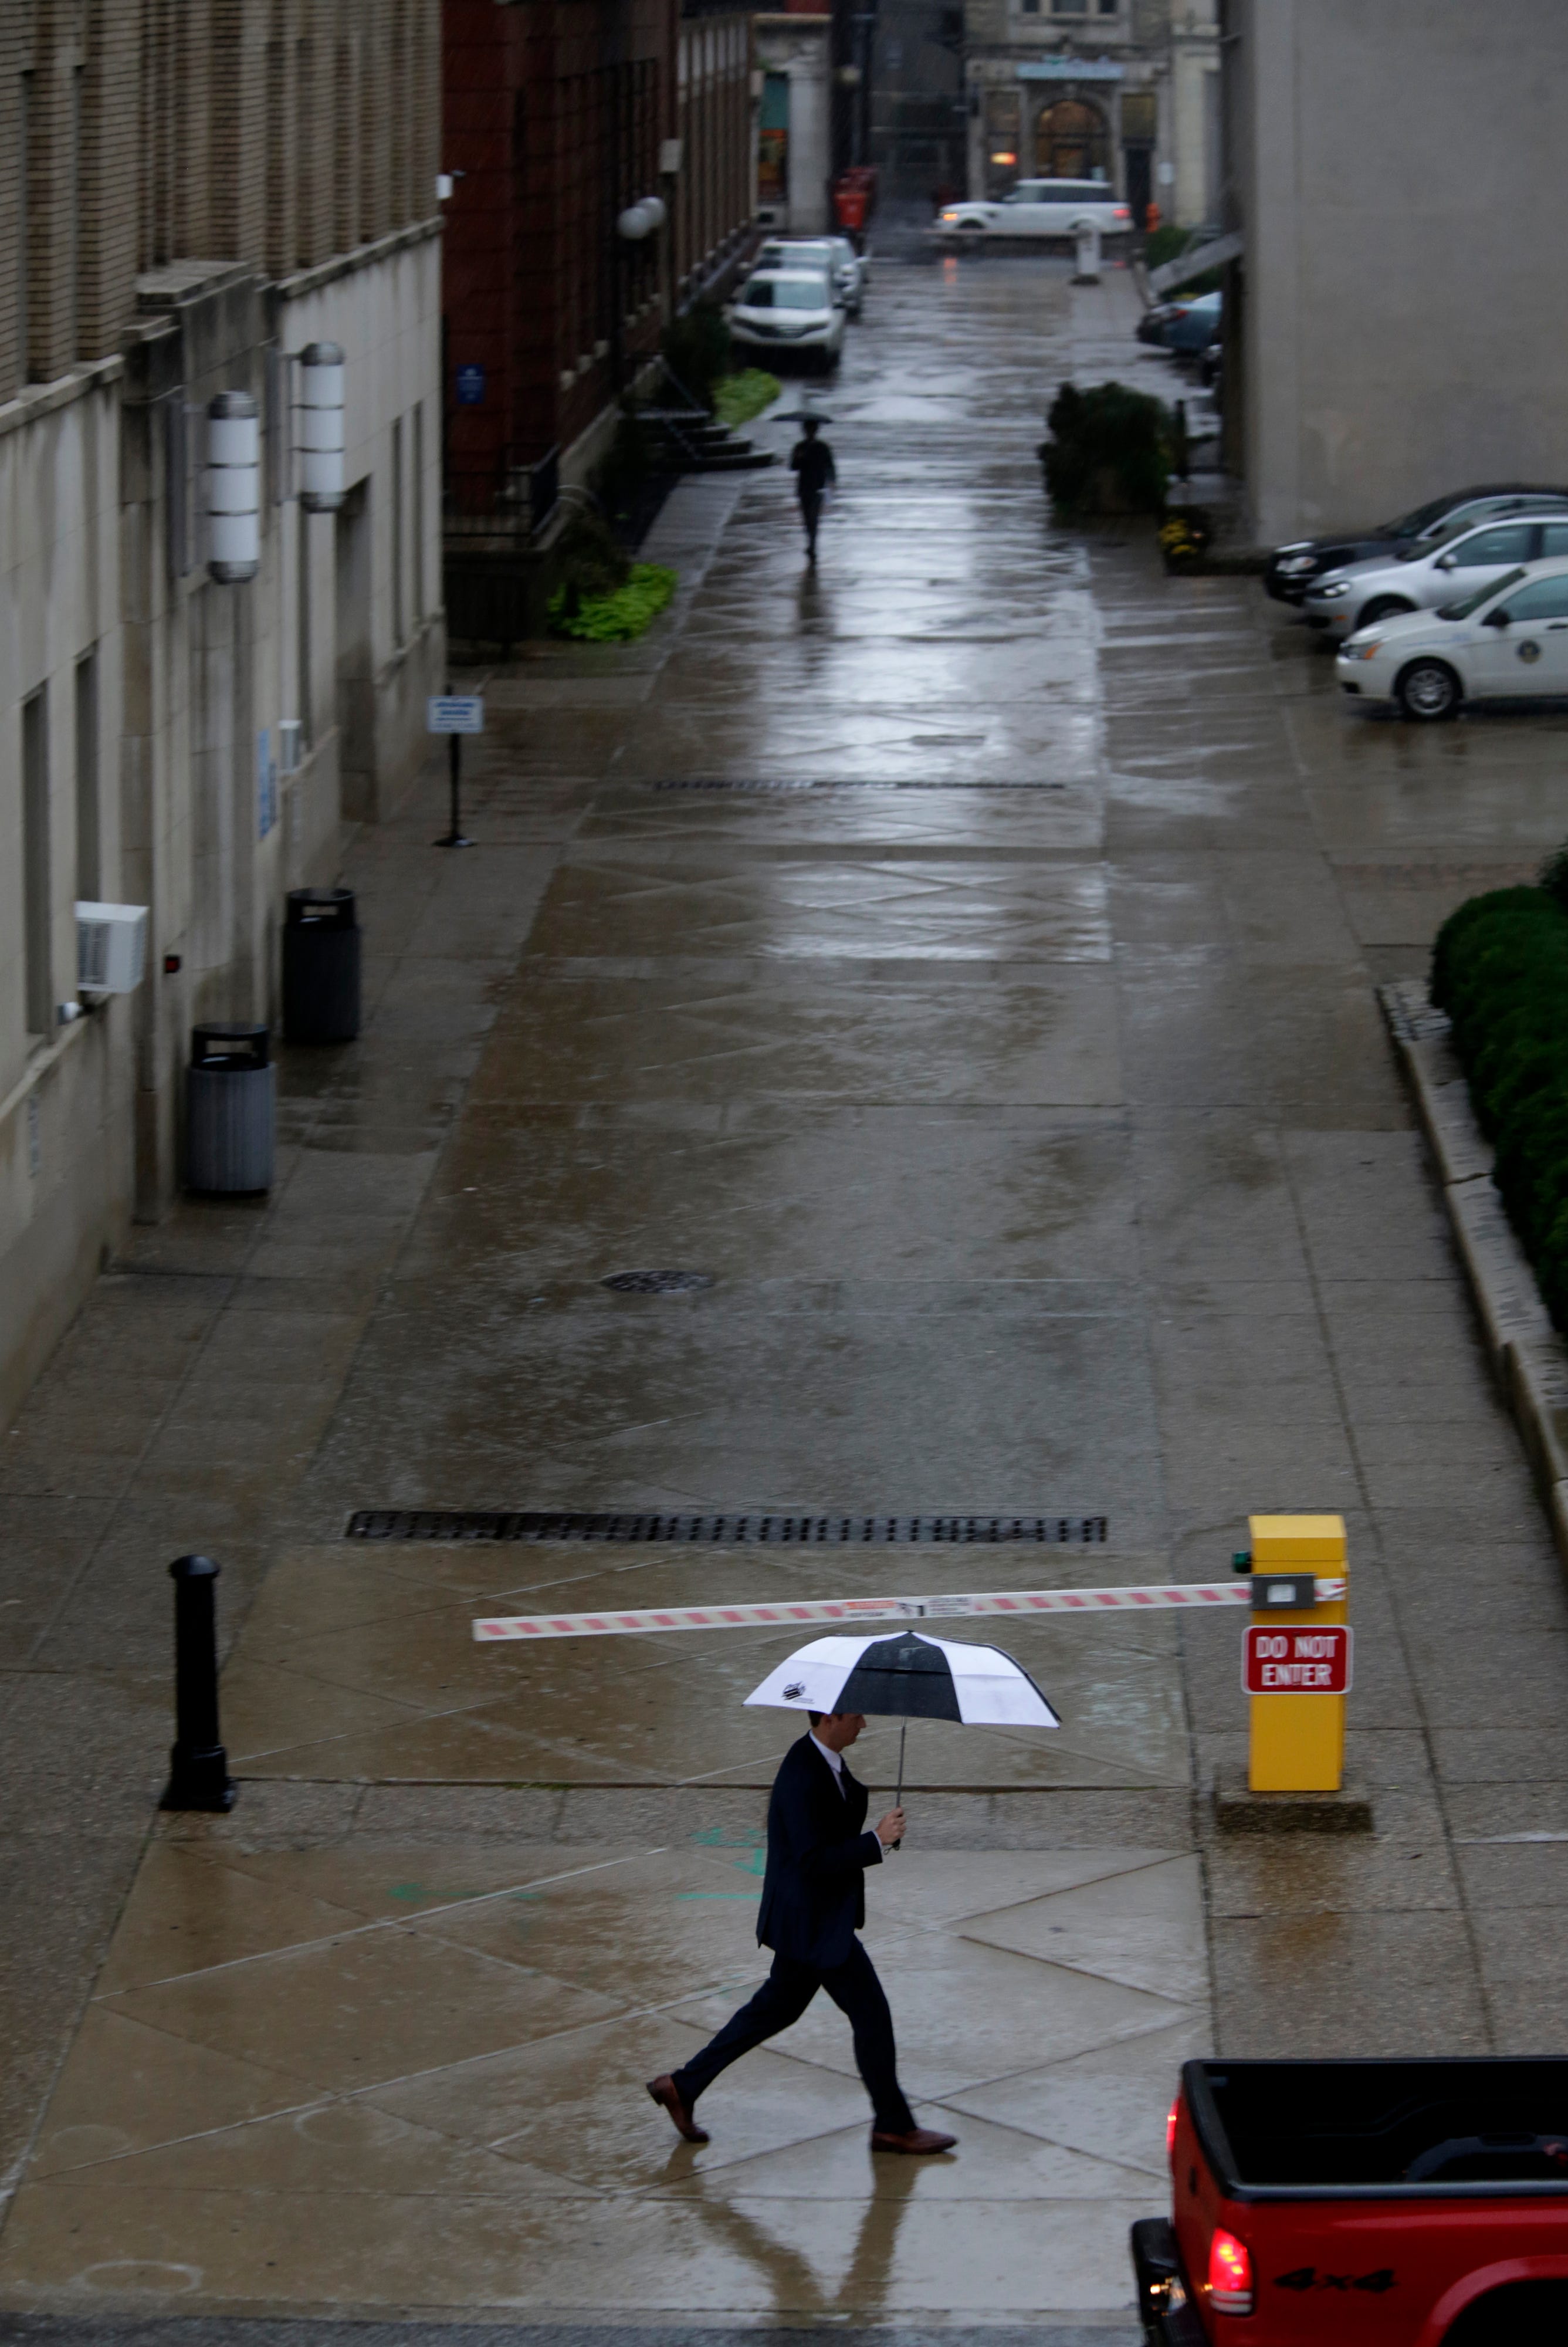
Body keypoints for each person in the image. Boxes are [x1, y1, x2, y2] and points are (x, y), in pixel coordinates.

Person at [647, 1709, 957, 2156]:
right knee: (870, 2014)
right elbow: (812, 1860)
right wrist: (876, 1840)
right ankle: (892, 2126)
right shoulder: (801, 1774)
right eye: (856, 1717)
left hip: (812, 1920)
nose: (863, 1725)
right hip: (811, 1924)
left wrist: (876, 1838)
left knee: (772, 2011)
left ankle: (681, 2085)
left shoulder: (824, 1762)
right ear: (830, 1717)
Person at [789, 417, 836, 562]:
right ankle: (811, 542)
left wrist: (832, 481)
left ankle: (812, 546)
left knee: (813, 517)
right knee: (807, 519)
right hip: (804, 487)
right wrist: (799, 458)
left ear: (816, 431)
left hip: (818, 487)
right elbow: (793, 467)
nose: (810, 432)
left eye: (812, 430)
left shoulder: (823, 447)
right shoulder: (799, 447)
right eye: (807, 430)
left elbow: (830, 466)